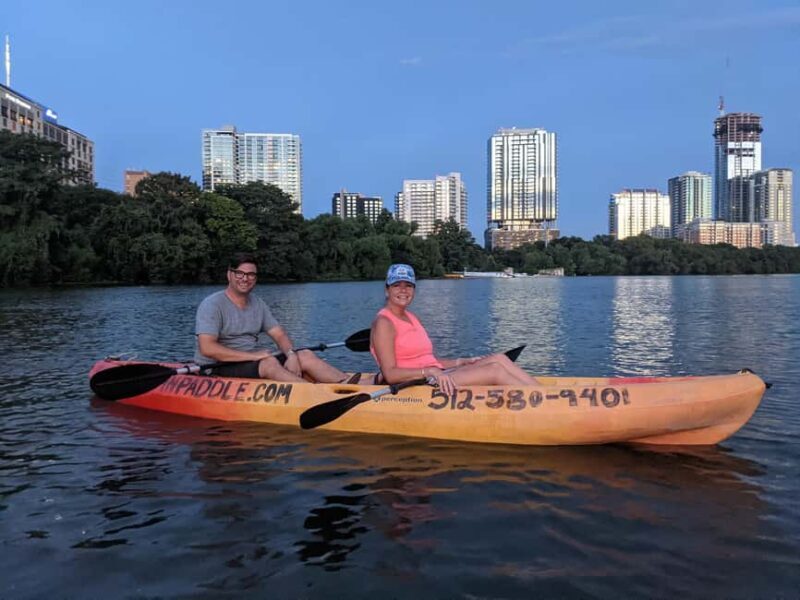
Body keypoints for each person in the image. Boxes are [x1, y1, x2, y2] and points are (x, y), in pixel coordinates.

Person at [370, 264, 539, 396]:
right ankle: (543, 402)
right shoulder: (384, 323)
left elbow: (429, 361)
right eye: (396, 285)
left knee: (499, 359)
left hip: (435, 375)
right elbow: (390, 374)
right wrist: (429, 371)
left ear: (414, 289)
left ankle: (548, 395)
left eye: (408, 285)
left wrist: (460, 362)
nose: (403, 290)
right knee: (494, 370)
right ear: (387, 290)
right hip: (413, 384)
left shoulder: (411, 317)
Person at [195, 252, 349, 382]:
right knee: (269, 363)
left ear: (255, 278)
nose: (245, 278)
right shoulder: (212, 304)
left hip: (251, 361)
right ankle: (315, 395)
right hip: (217, 367)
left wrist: (291, 355)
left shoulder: (258, 303)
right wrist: (253, 356)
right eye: (239, 273)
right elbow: (207, 348)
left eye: (250, 275)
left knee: (304, 355)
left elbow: (279, 334)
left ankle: (349, 385)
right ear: (229, 275)